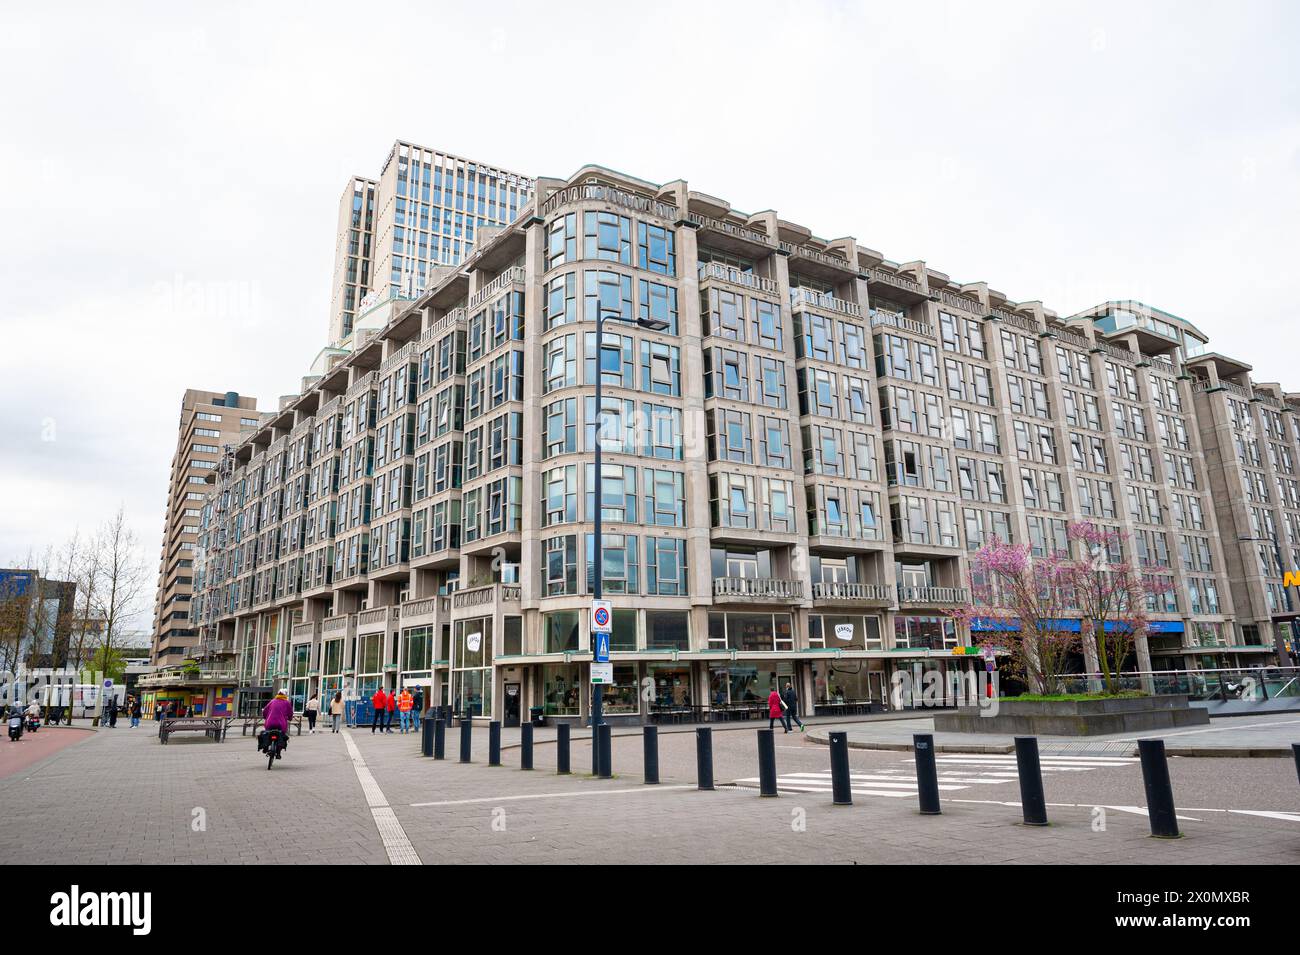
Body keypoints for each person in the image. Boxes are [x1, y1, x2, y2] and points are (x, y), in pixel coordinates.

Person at [260, 688, 292, 756]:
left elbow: (265, 711)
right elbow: (290, 713)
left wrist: (265, 717)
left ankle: (265, 746)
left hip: (270, 723)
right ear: (285, 695)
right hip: (281, 724)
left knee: (267, 733)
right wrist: (290, 718)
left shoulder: (272, 701)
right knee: (282, 736)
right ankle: (278, 752)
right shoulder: (287, 702)